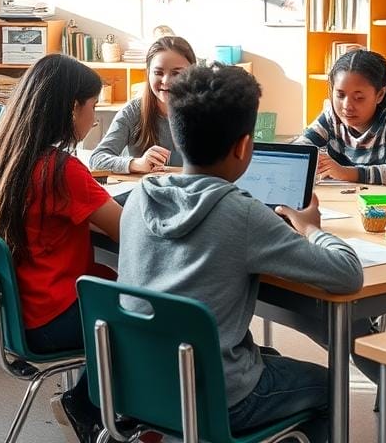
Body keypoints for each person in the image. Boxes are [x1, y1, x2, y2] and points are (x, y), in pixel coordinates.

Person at [116, 64, 362, 443]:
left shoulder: (138, 197)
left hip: (137, 378)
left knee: (268, 356)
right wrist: (310, 227)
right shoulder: (241, 213)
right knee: (329, 384)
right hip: (215, 394)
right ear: (244, 146)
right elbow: (347, 273)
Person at [0, 54, 122, 443]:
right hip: (46, 319)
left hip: (6, 316)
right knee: (143, 316)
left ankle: (87, 401)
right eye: (92, 107)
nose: (93, 118)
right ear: (71, 109)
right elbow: (128, 231)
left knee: (112, 287)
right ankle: (89, 406)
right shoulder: (61, 169)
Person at [295, 49, 386, 188]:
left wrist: (345, 173)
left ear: (380, 94)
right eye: (340, 95)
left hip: (380, 205)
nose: (347, 106)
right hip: (341, 203)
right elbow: (297, 151)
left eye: (359, 98)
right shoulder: (332, 116)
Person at [89, 36, 195, 174]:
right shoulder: (132, 112)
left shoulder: (208, 111)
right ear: (148, 73)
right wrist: (136, 163)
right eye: (158, 73)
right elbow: (97, 159)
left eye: (176, 73)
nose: (166, 81)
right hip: (145, 191)